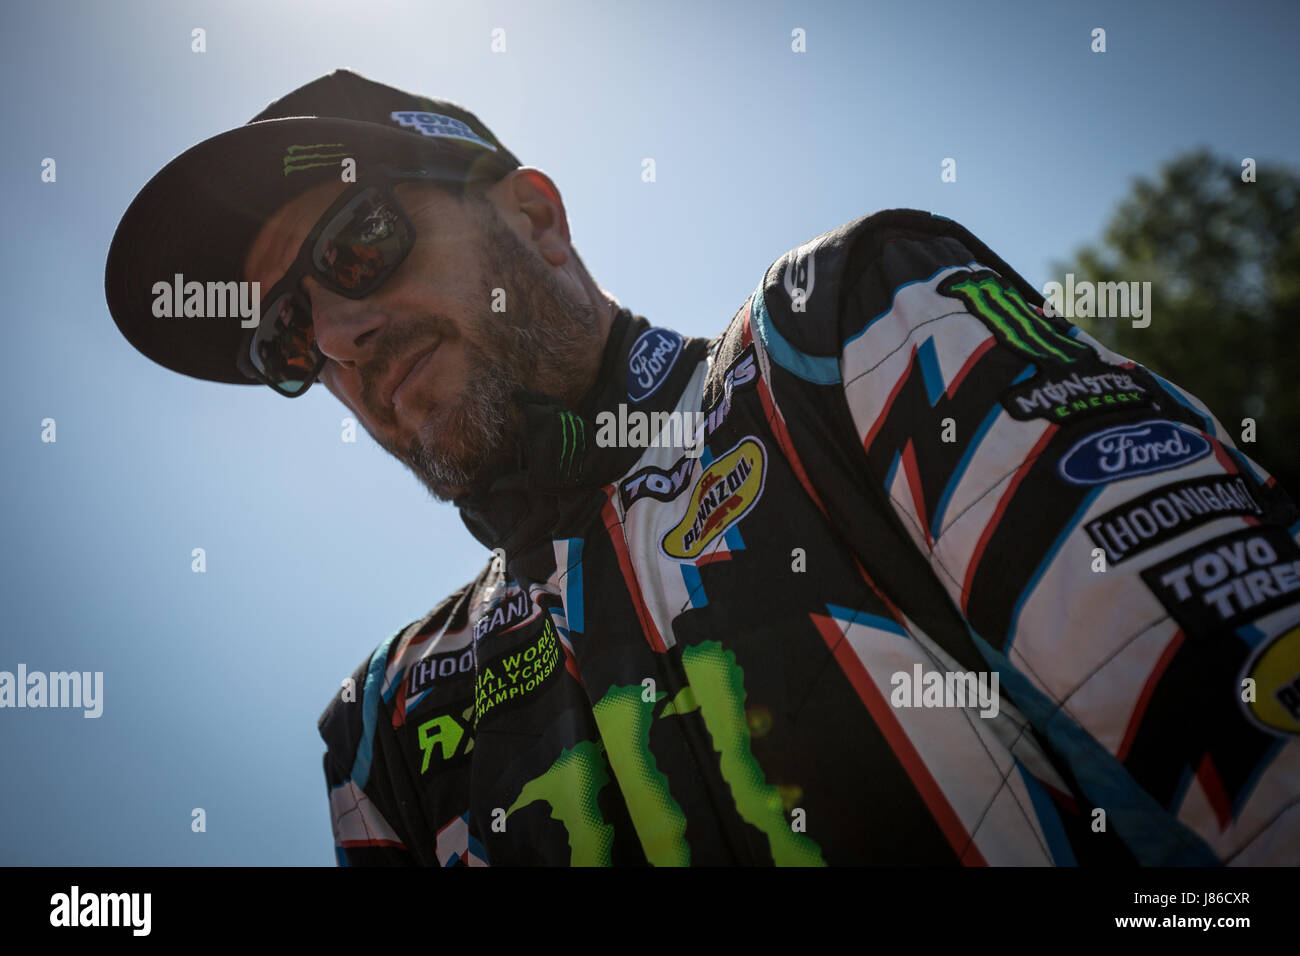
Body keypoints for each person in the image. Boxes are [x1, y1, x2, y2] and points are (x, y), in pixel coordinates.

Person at [105, 69, 1300, 867]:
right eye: (286, 338)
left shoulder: (847, 337)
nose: (338, 338)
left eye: (358, 246)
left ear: (537, 219)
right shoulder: (383, 728)